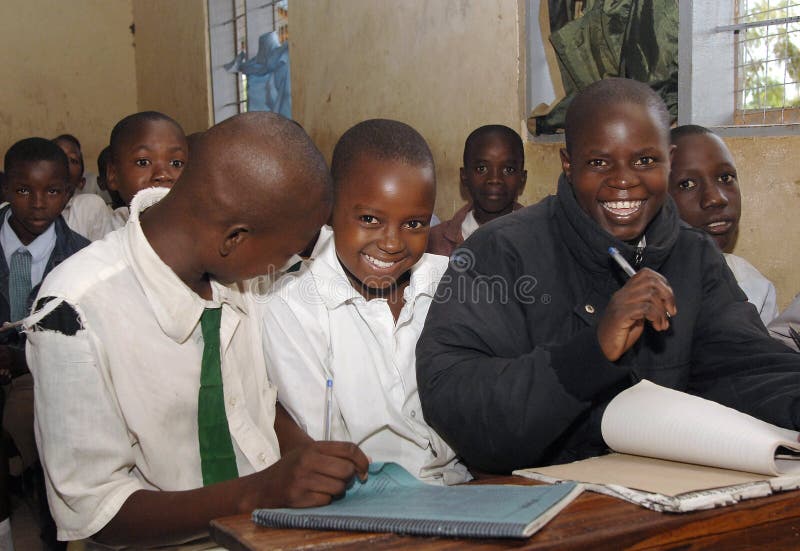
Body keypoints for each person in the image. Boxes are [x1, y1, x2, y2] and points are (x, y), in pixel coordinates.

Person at [416, 78, 800, 475]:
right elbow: (454, 398)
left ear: (668, 161)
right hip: (534, 494)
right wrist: (591, 351)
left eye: (645, 161)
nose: (624, 180)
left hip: (663, 489)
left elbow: (747, 366)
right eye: (599, 163)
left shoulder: (693, 255)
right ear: (569, 164)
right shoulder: (501, 250)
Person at [26, 112, 368, 547]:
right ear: (234, 239)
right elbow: (98, 513)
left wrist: (306, 459)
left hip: (271, 530)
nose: (289, 266)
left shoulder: (238, 273)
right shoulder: (74, 309)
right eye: (287, 253)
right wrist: (258, 492)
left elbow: (248, 401)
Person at [260, 119, 468, 485]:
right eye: (370, 219)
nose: (392, 243)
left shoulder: (450, 284)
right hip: (362, 495)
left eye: (414, 224)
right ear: (329, 208)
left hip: (464, 486)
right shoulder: (293, 307)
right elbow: (322, 446)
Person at [0, 137, 90, 548]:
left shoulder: (83, 258)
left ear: (69, 193)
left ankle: (54, 527)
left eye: (52, 191)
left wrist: (23, 358)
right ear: (5, 187)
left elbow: (82, 338)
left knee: (51, 429)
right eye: (23, 190)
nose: (38, 204)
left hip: (45, 375)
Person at [668, 125, 778, 325]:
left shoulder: (753, 285)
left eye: (725, 178)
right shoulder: (638, 289)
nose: (715, 198)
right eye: (687, 184)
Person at [427, 125, 526, 257]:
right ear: (464, 176)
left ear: (522, 178)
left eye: (508, 169)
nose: (495, 179)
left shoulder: (543, 238)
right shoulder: (433, 242)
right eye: (481, 169)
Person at [107, 111, 189, 230]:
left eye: (176, 163)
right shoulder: (109, 242)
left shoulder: (211, 238)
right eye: (143, 162)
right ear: (113, 174)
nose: (163, 175)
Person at [52, 135, 113, 241]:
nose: (65, 163)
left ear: (81, 181)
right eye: (57, 157)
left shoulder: (89, 207)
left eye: (73, 160)